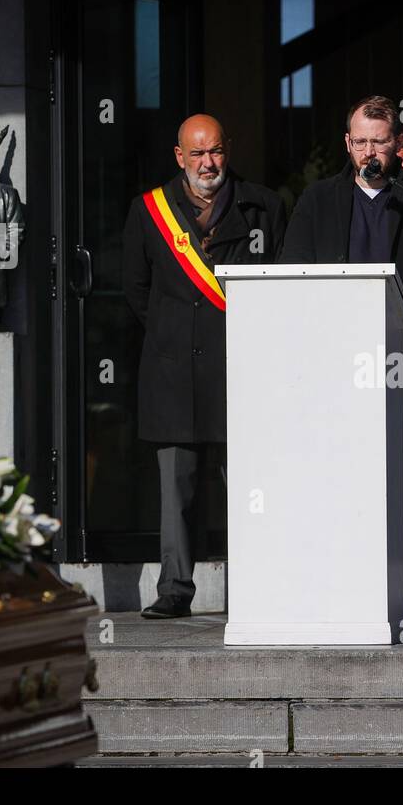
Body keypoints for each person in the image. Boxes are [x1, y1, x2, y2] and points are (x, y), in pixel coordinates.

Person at [279, 95, 403, 620]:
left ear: (398, 145)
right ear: (348, 145)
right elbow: (293, 268)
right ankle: (342, 576)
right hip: (336, 362)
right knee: (340, 467)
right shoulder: (319, 199)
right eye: (361, 141)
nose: (370, 150)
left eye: (380, 140)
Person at [123, 114, 287, 619]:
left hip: (242, 369)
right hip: (173, 371)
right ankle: (174, 589)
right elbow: (136, 291)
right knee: (176, 491)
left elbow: (282, 282)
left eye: (214, 151)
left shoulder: (265, 206)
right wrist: (178, 337)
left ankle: (259, 586)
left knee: (250, 486)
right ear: (179, 157)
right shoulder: (148, 211)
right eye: (196, 154)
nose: (207, 163)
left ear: (228, 148)